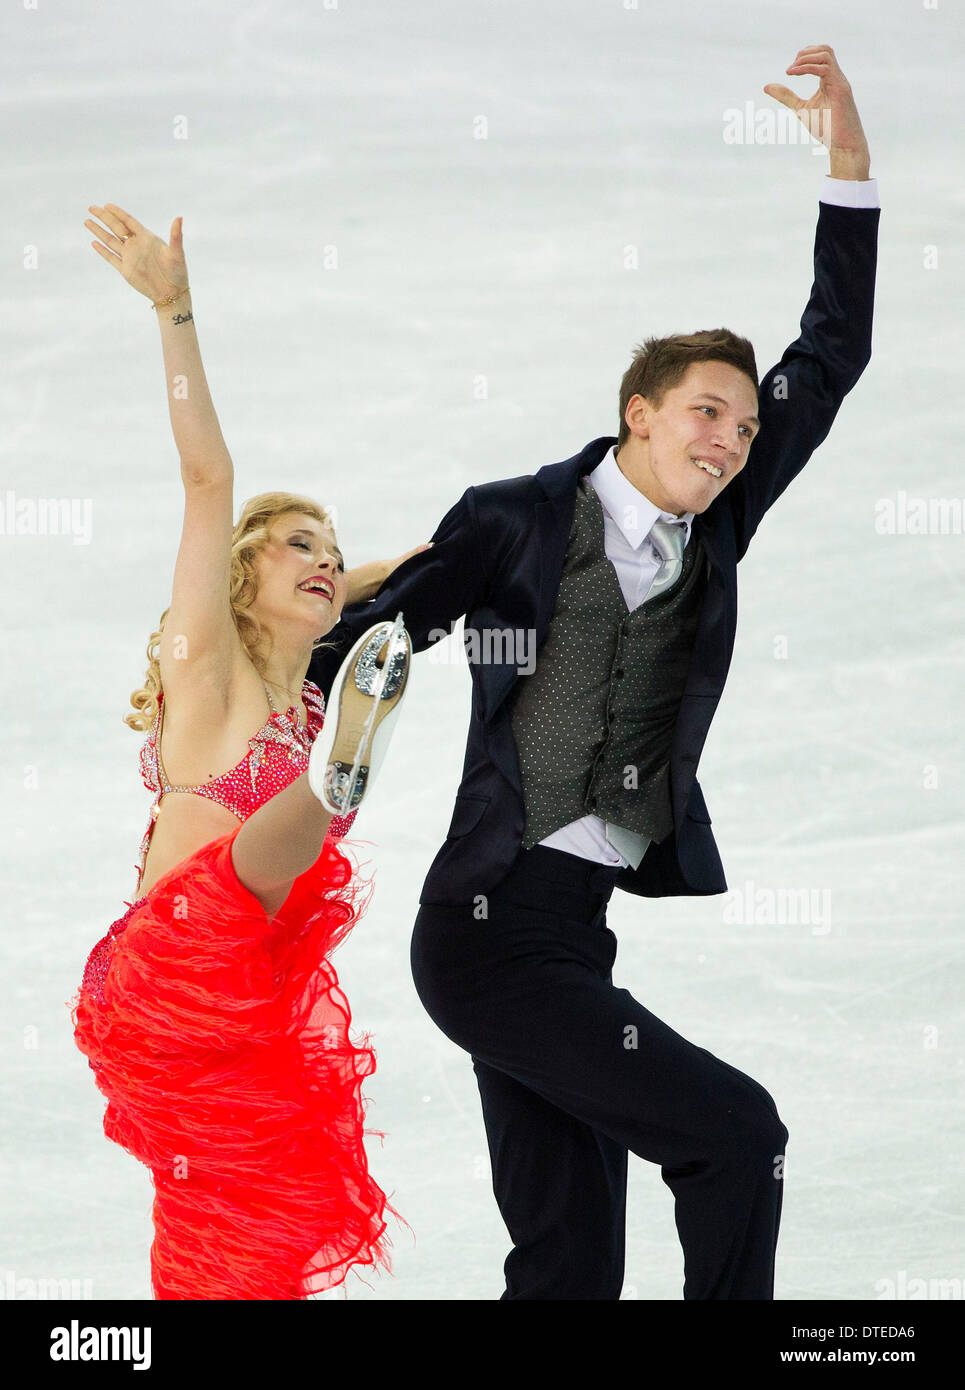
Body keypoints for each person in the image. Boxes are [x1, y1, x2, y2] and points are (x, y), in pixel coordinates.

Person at [310, 46, 881, 1299]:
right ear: (637, 409)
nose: (728, 440)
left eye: (741, 425)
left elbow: (829, 351)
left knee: (567, 1268)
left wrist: (847, 160)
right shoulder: (514, 520)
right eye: (703, 412)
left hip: (573, 937)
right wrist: (252, 702)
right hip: (481, 929)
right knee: (736, 1136)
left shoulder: (716, 528)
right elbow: (370, 644)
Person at [69, 202, 415, 1300]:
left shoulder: (298, 690)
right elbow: (208, 479)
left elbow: (393, 574)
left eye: (332, 551)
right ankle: (335, 787)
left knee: (240, 1230)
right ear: (242, 575)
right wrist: (172, 305)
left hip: (246, 1016)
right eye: (297, 546)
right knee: (257, 855)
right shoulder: (205, 666)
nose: (324, 559)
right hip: (173, 976)